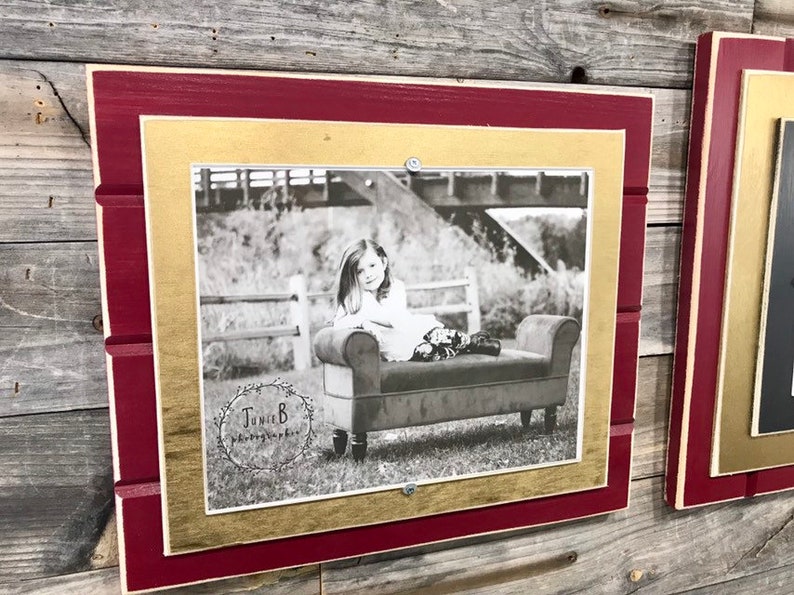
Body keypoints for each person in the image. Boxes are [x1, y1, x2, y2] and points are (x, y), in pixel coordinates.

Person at [332, 238, 500, 362]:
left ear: (383, 262)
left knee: (437, 335)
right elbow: (339, 324)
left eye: (372, 266)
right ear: (352, 276)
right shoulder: (353, 299)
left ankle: (472, 342)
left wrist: (367, 318)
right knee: (428, 352)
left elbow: (395, 319)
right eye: (359, 271)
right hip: (397, 346)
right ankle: (466, 348)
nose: (368, 274)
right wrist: (364, 323)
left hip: (412, 330)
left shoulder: (396, 287)